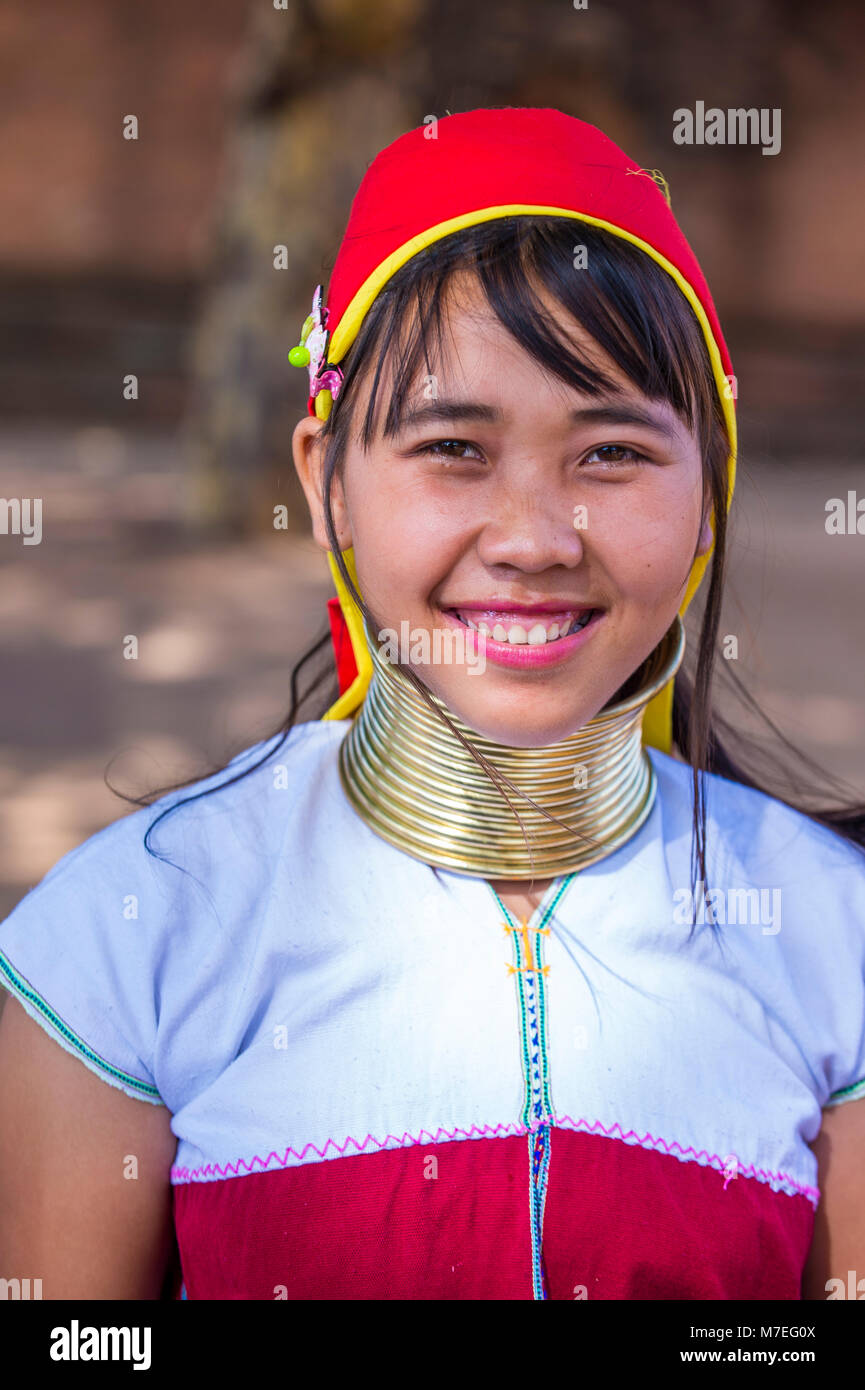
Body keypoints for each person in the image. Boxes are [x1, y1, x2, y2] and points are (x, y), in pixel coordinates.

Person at [1, 107, 864, 1301]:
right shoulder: (129, 933)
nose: (532, 539)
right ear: (327, 483)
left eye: (611, 453)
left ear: (708, 493)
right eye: (454, 446)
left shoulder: (834, 940)